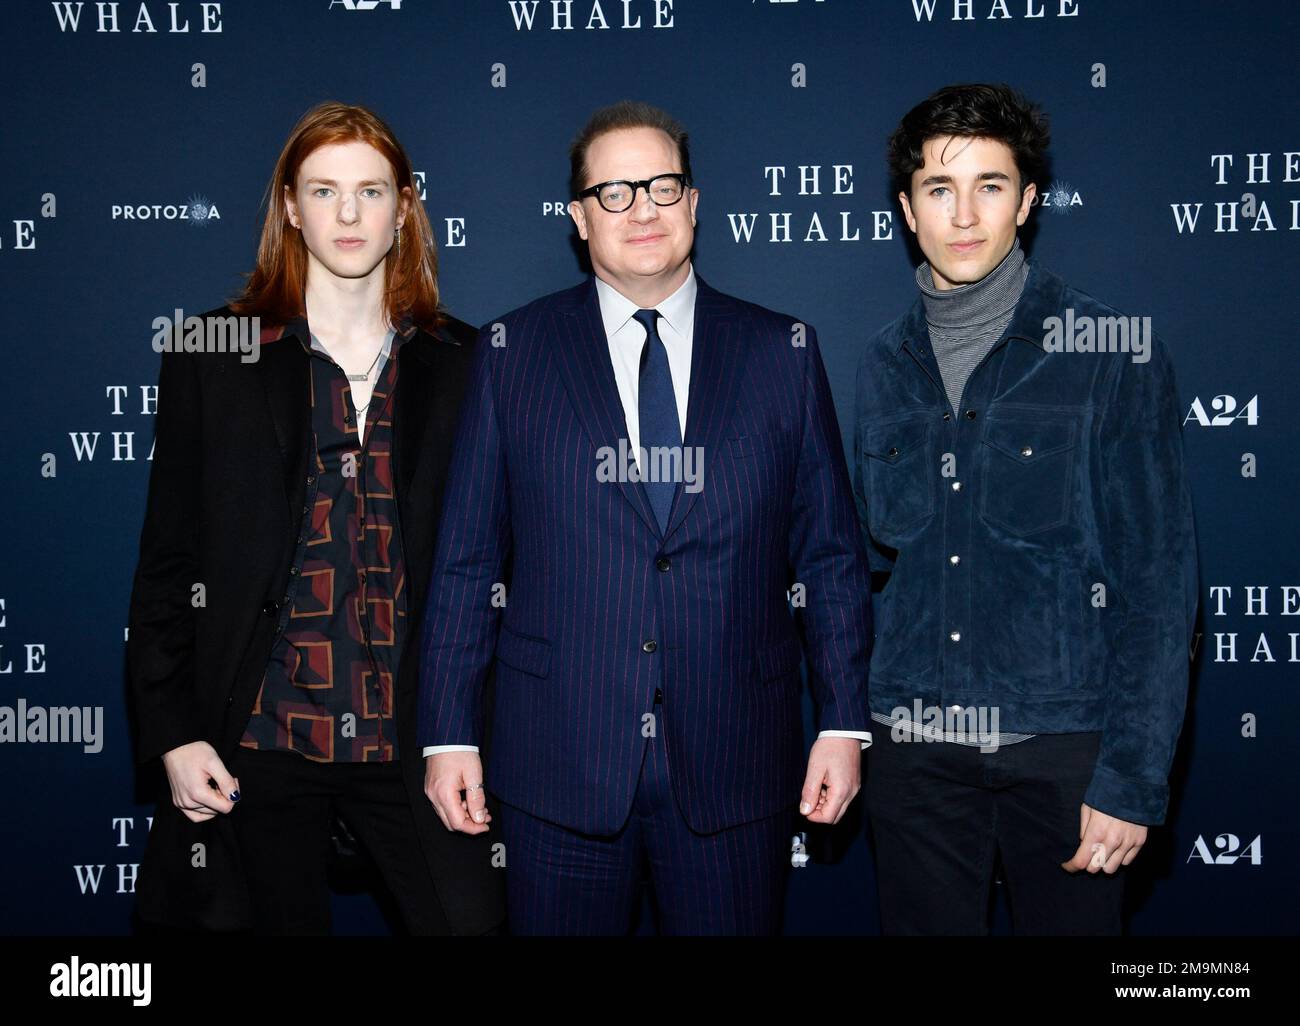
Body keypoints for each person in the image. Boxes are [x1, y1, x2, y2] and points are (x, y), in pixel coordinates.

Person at [417, 100, 873, 935]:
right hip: (559, 763)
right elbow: (466, 561)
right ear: (579, 218)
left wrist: (842, 719)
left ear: (695, 205)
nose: (644, 209)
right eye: (615, 192)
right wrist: (448, 734)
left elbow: (832, 557)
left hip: (738, 761)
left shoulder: (784, 352)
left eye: (663, 186)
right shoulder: (512, 353)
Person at [127, 101, 504, 935]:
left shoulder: (466, 362)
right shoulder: (212, 355)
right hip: (259, 738)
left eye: (370, 192)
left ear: (403, 208)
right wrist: (175, 734)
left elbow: (492, 566)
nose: (347, 213)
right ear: (290, 207)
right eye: (323, 190)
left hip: (416, 740)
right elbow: (167, 560)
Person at [854, 83, 1198, 935]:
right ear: (907, 207)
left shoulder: (1112, 350)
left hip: (1067, 754)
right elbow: (872, 566)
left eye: (991, 185)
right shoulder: (882, 364)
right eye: (939, 188)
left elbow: (1157, 588)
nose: (964, 213)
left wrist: (1131, 779)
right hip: (917, 752)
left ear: (1029, 200)